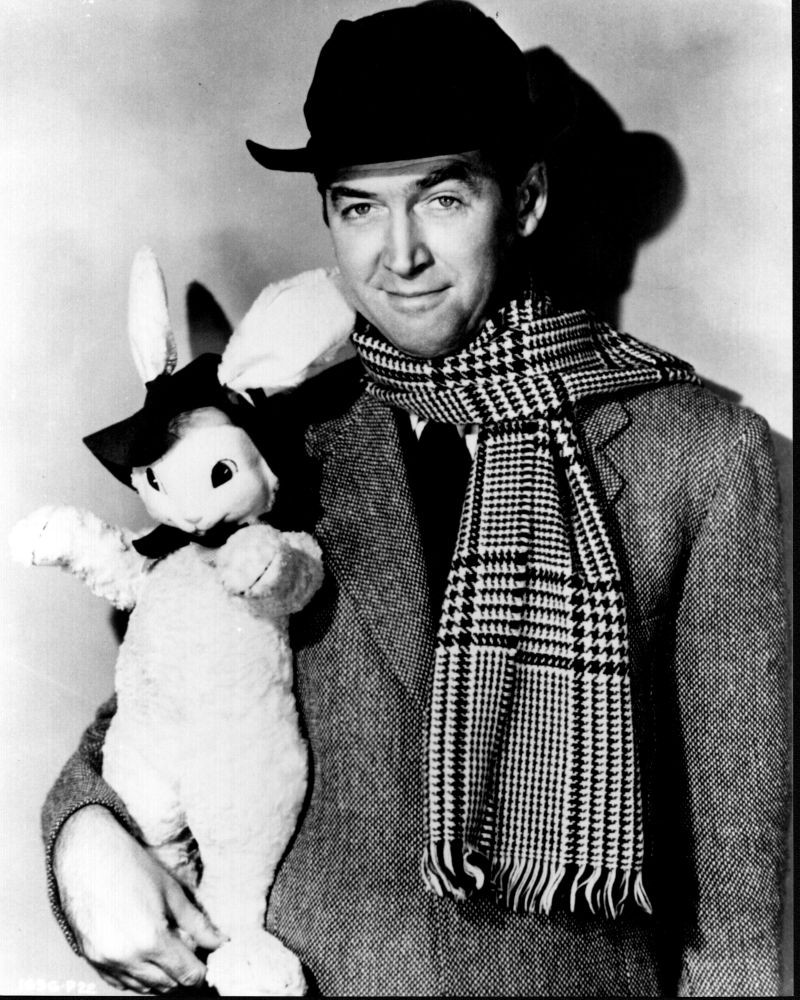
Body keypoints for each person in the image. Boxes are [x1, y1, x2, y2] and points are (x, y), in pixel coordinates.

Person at [41, 1, 788, 996]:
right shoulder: (278, 448)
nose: (397, 254)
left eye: (440, 198)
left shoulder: (699, 454)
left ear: (521, 200)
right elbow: (164, 692)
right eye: (358, 206)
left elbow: (733, 905)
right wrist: (80, 835)